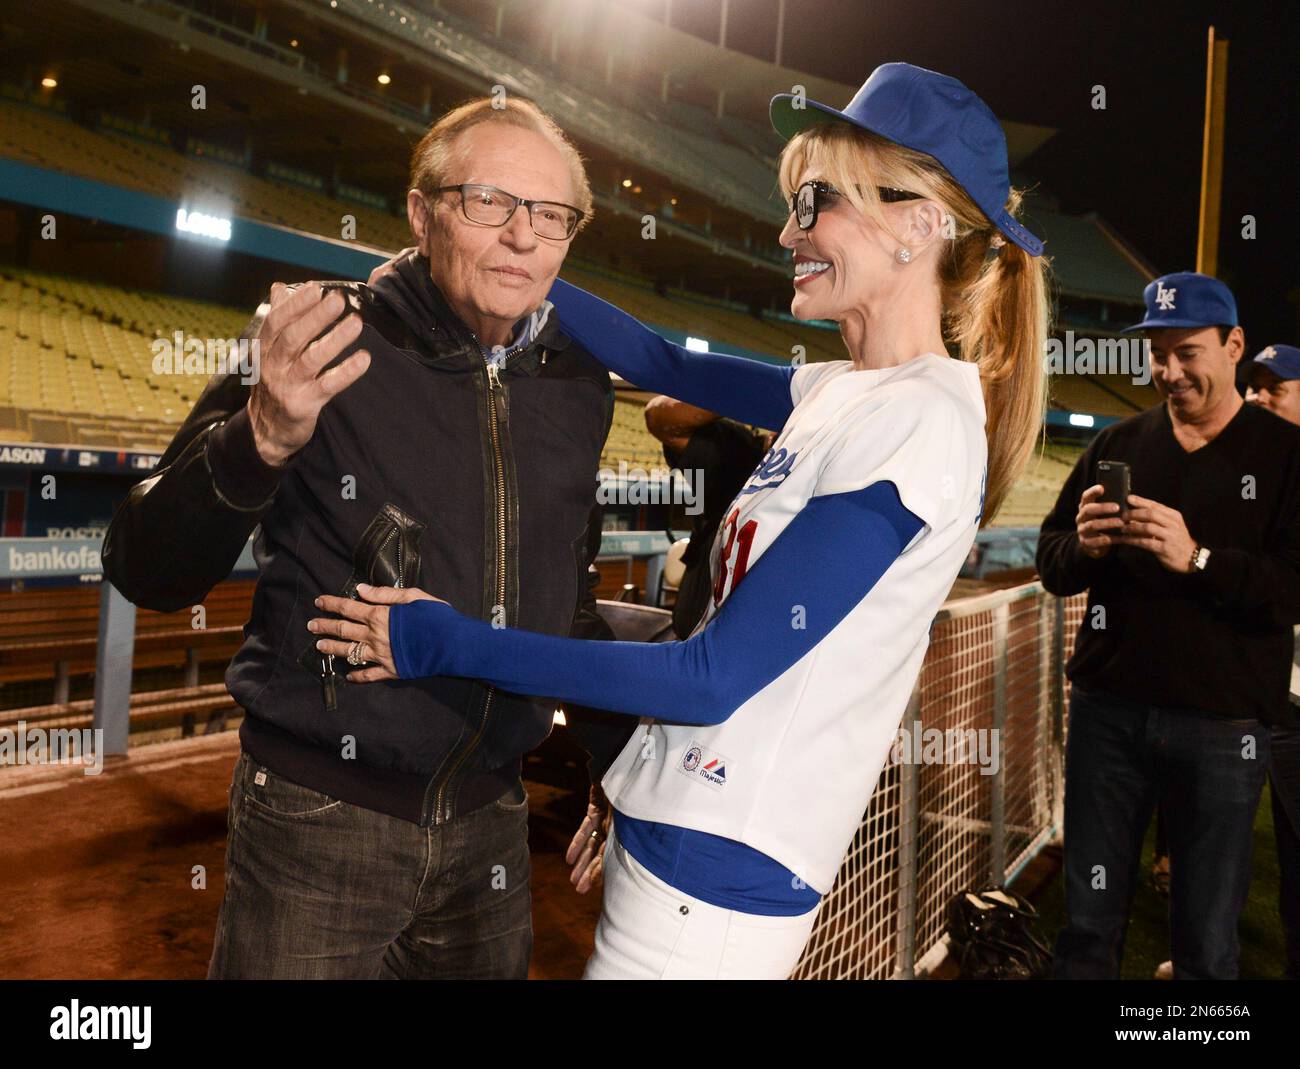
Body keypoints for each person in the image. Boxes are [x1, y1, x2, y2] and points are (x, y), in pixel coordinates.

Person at [308, 62, 1050, 980]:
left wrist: (440, 640)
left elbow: (707, 680)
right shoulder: (837, 389)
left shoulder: (922, 422)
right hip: (684, 852)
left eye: (817, 201)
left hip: (718, 893)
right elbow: (657, 355)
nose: (790, 229)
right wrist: (508, 259)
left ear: (920, 223)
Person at [102, 97, 625, 979]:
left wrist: (615, 762)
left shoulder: (580, 385)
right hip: (319, 820)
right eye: (489, 201)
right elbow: (144, 564)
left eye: (550, 214)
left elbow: (566, 601)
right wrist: (258, 438)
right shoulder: (321, 336)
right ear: (422, 214)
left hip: (495, 822)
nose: (522, 237)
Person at [1038, 274, 1300, 980]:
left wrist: (1200, 558)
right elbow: (1051, 558)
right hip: (1108, 719)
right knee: (1088, 926)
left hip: (1221, 728)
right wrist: (1083, 547)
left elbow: (1289, 590)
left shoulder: (1285, 455)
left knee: (1206, 941)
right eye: (1156, 353)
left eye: (1186, 351)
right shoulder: (1120, 442)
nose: (1168, 371)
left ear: (1234, 345)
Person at [1243, 342, 1300, 979]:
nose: (1259, 395)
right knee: (1227, 839)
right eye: (1254, 386)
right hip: (1257, 693)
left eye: (1275, 387)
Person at [642, 396, 771, 638]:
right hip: (709, 577)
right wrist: (751, 397)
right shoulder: (733, 444)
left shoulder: (812, 457)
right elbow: (656, 415)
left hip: (764, 589)